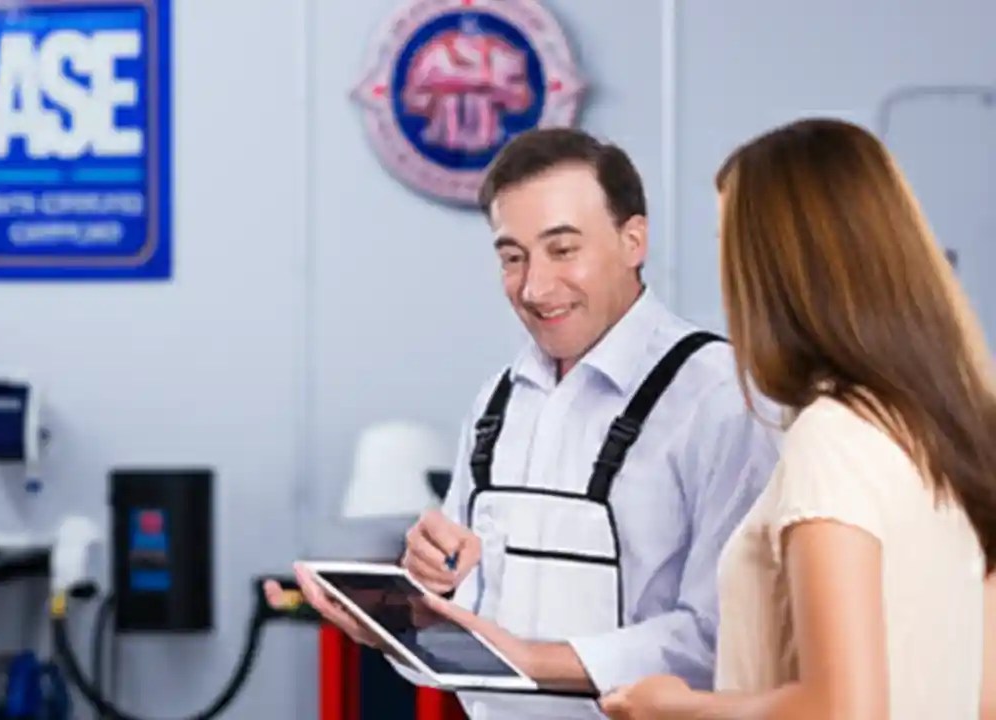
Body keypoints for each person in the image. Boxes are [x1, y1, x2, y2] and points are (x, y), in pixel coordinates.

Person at [445, 117, 996, 718]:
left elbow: (842, 706)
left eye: (727, 245)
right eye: (513, 257)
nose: (535, 285)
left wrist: (678, 706)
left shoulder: (827, 438)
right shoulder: (944, 430)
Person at [268, 128, 780, 718]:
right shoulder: (499, 401)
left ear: (633, 239)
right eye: (513, 257)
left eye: (563, 250)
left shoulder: (720, 396)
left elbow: (725, 638)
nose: (534, 287)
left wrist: (532, 660)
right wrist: (421, 598)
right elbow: (471, 608)